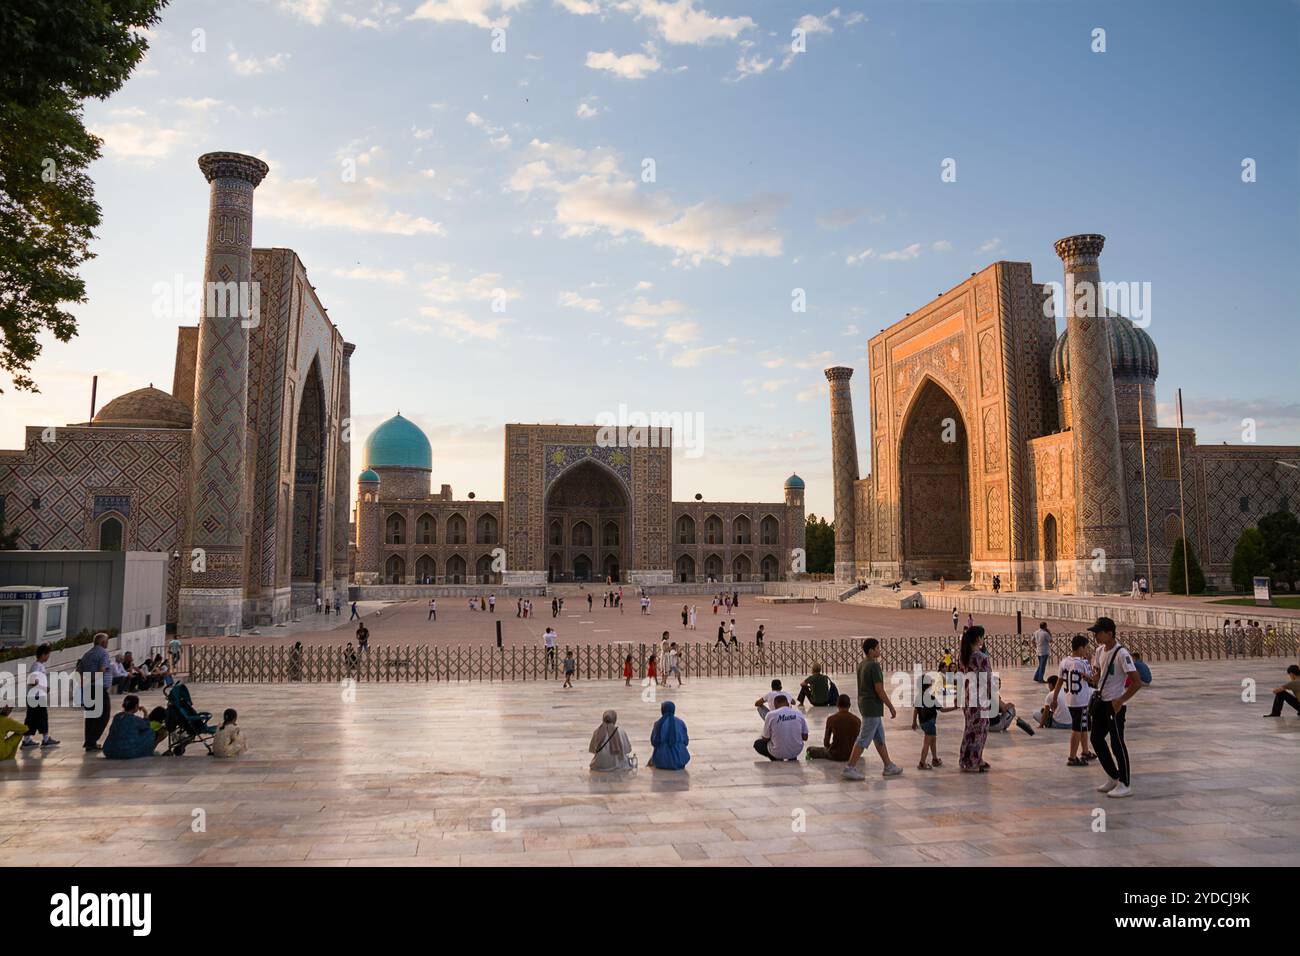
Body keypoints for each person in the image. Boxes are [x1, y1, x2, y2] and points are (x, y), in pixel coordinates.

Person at [1087, 617, 1142, 798]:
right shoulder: (1100, 650)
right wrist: (1093, 678)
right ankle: (1113, 776)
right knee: (1096, 739)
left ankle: (1125, 783)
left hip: (1115, 705)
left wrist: (1121, 700)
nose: (1095, 635)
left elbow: (1136, 682)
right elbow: (1100, 673)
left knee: (1117, 743)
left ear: (1109, 633)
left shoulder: (1122, 654)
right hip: (1102, 702)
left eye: (1098, 632)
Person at [842, 638, 903, 779]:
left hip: (865, 703)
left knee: (879, 737)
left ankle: (888, 765)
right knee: (864, 738)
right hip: (872, 706)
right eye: (877, 648)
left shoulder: (862, 664)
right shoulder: (874, 666)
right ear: (871, 650)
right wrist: (891, 706)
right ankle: (849, 767)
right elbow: (879, 689)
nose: (879, 650)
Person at [958, 625, 992, 772]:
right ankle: (973, 762)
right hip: (979, 700)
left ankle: (970, 758)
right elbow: (988, 680)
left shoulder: (964, 657)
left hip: (967, 699)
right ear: (978, 638)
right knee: (980, 731)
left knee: (970, 730)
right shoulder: (981, 658)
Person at [77, 632, 113, 752]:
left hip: (88, 689)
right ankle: (91, 741)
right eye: (107, 641)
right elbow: (102, 670)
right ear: (103, 642)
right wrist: (92, 679)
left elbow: (78, 671)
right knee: (103, 715)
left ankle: (89, 742)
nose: (108, 643)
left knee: (91, 716)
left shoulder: (87, 654)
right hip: (98, 688)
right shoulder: (103, 653)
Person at [19, 644, 58, 749]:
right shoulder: (37, 666)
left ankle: (27, 740)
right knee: (41, 717)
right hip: (36, 697)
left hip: (36, 696)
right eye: (48, 654)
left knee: (33, 718)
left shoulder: (39, 665)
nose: (48, 657)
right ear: (43, 655)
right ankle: (45, 739)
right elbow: (33, 681)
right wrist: (44, 688)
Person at [102, 695, 160, 760]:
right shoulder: (135, 719)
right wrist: (145, 712)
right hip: (127, 752)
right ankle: (148, 751)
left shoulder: (117, 717)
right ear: (136, 706)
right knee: (150, 732)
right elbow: (147, 725)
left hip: (109, 751)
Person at [807, 695, 861, 761]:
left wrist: (832, 748)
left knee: (810, 749)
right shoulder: (857, 720)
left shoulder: (831, 719)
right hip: (852, 754)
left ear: (837, 705)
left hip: (835, 755)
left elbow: (826, 743)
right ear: (849, 705)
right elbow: (858, 741)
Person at [754, 695, 808, 761]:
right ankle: (791, 756)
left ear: (775, 705)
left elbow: (765, 738)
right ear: (788, 704)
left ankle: (775, 758)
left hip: (777, 752)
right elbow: (805, 737)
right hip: (796, 751)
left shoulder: (771, 715)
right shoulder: (799, 713)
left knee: (758, 744)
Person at [912, 666, 944, 770]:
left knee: (933, 740)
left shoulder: (919, 696)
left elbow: (916, 710)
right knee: (927, 742)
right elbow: (942, 709)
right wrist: (955, 707)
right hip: (930, 722)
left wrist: (914, 722)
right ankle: (922, 763)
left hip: (923, 722)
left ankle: (935, 759)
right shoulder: (930, 697)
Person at [649, 700, 689, 770]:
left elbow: (654, 742)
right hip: (680, 760)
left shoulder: (658, 724)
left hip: (661, 761)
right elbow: (686, 742)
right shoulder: (680, 723)